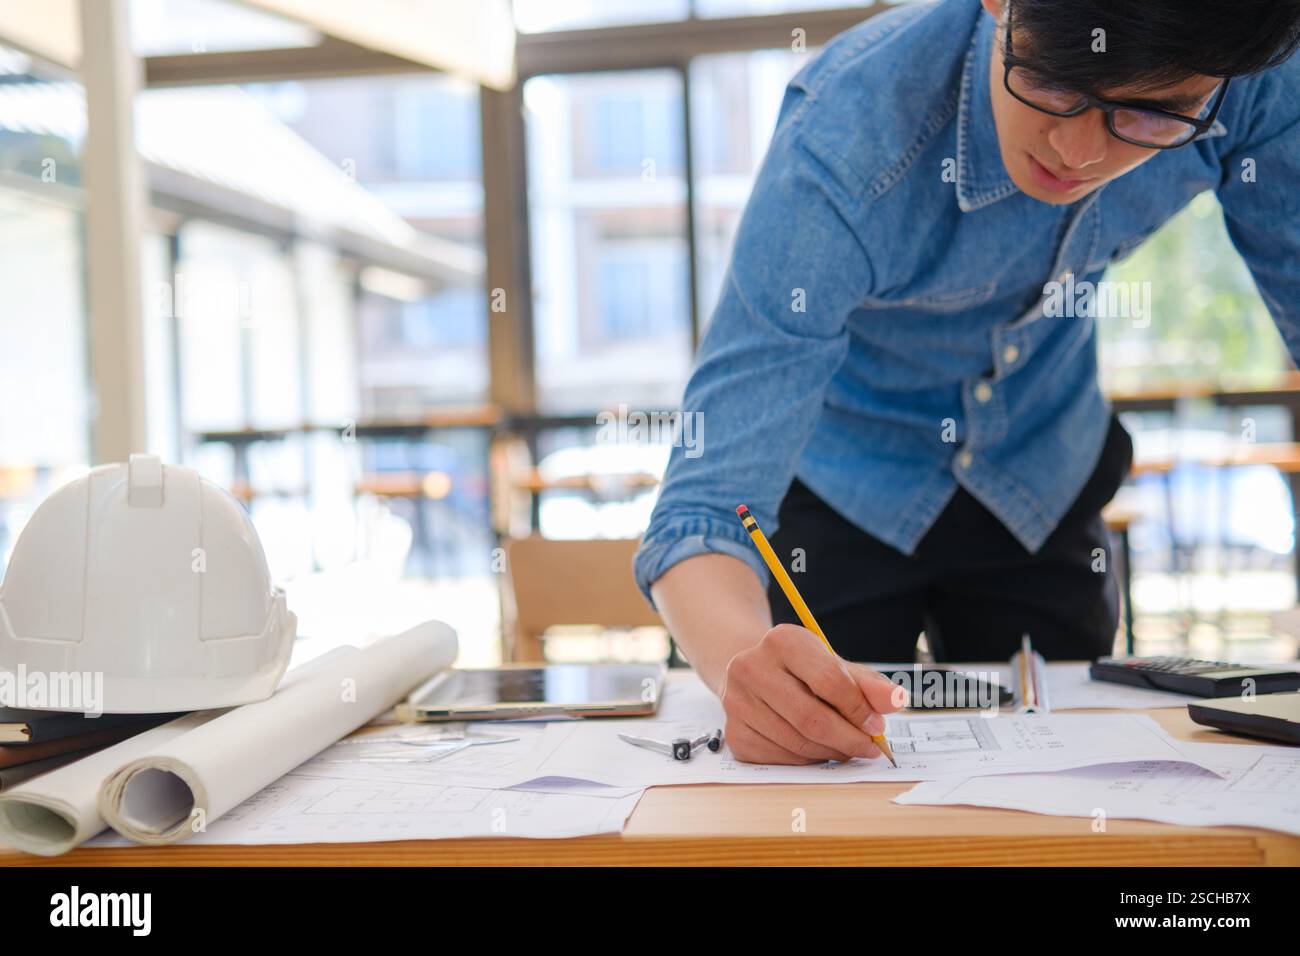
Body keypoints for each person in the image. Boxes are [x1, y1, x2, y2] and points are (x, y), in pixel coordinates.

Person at [634, 0, 1300, 764]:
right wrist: (738, 664)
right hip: (843, 486)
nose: (1079, 152)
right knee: (816, 753)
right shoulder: (844, 138)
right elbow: (702, 511)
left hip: (1040, 470)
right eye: (1054, 84)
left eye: (1151, 116)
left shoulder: (1252, 57)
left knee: (1065, 778)